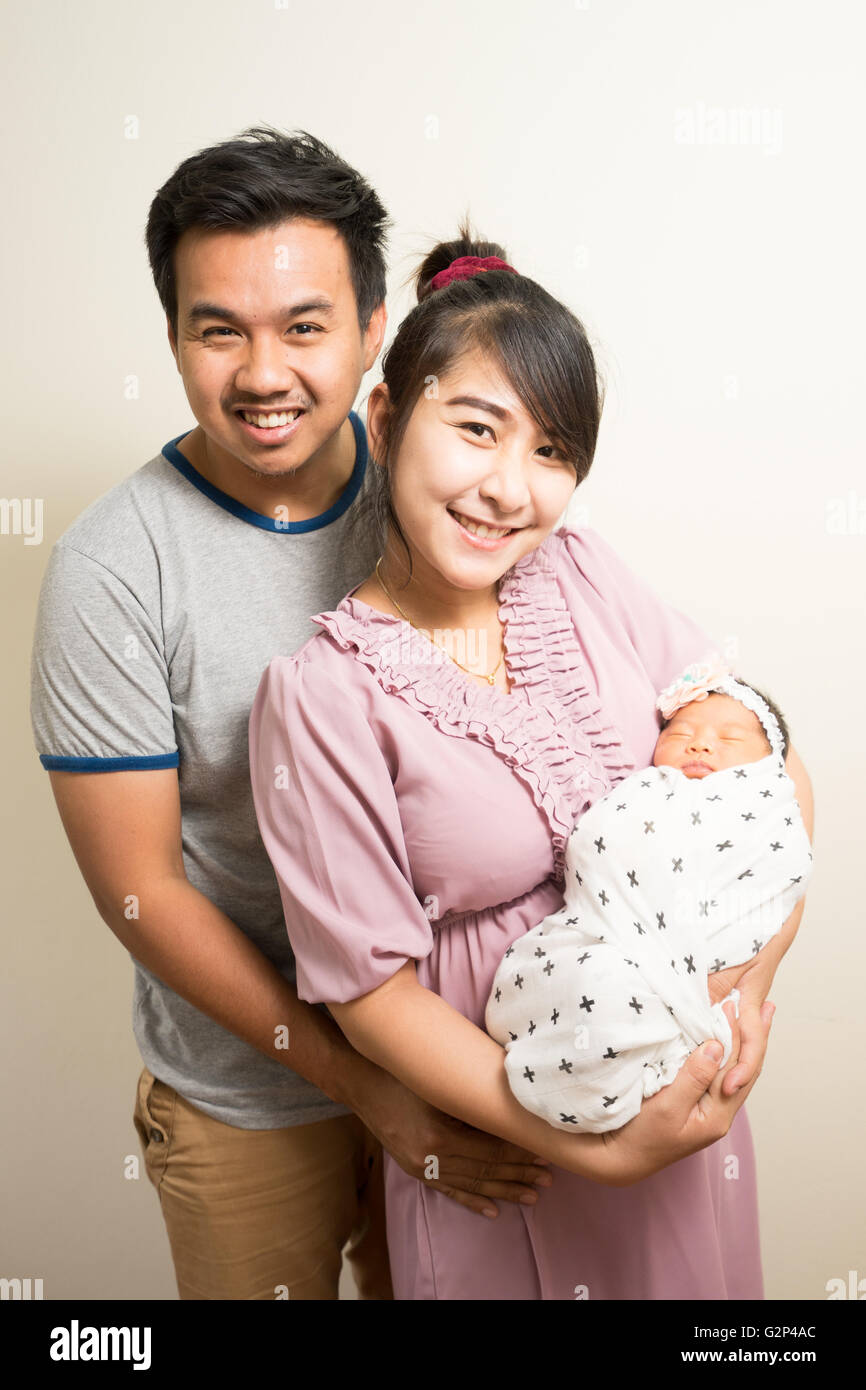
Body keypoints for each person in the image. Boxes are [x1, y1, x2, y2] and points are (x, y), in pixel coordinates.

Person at [28, 128, 563, 1302]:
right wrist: (360, 1080)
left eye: (303, 326)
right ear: (172, 337)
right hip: (252, 1095)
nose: (263, 371)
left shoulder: (446, 492)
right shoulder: (114, 567)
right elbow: (143, 890)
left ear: (377, 332)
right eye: (218, 329)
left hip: (472, 1059)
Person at [248, 225, 814, 1299]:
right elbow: (368, 995)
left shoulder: (583, 576)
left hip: (685, 1108)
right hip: (501, 1149)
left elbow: (768, 763)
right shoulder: (320, 697)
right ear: (384, 419)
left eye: (550, 450)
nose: (510, 488)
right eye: (475, 429)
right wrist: (584, 1144)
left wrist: (743, 998)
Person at [487, 662, 813, 1133]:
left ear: (768, 765)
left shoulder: (763, 810)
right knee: (591, 978)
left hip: (687, 973)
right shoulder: (648, 791)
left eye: (730, 739)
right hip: (600, 934)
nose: (701, 744)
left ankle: (631, 1064)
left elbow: (781, 869)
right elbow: (599, 847)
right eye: (682, 731)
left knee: (616, 996)